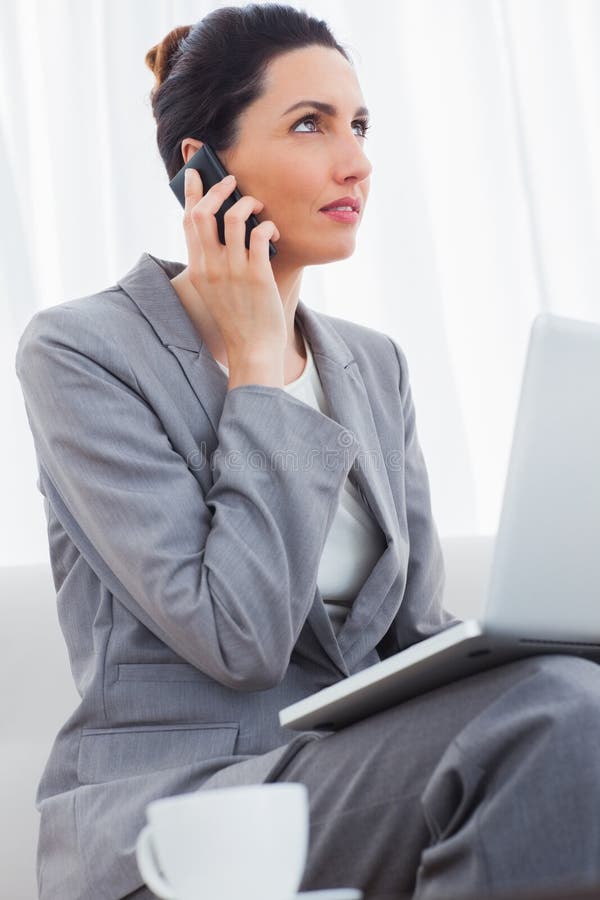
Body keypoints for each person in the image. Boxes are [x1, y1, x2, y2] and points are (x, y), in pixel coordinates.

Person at [15, 5, 600, 900]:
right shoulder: (83, 352)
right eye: (309, 125)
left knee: (565, 698)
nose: (356, 159)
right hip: (179, 814)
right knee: (556, 718)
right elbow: (237, 637)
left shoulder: (372, 364)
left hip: (345, 779)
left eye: (359, 125)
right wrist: (257, 370)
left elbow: (413, 635)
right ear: (201, 169)